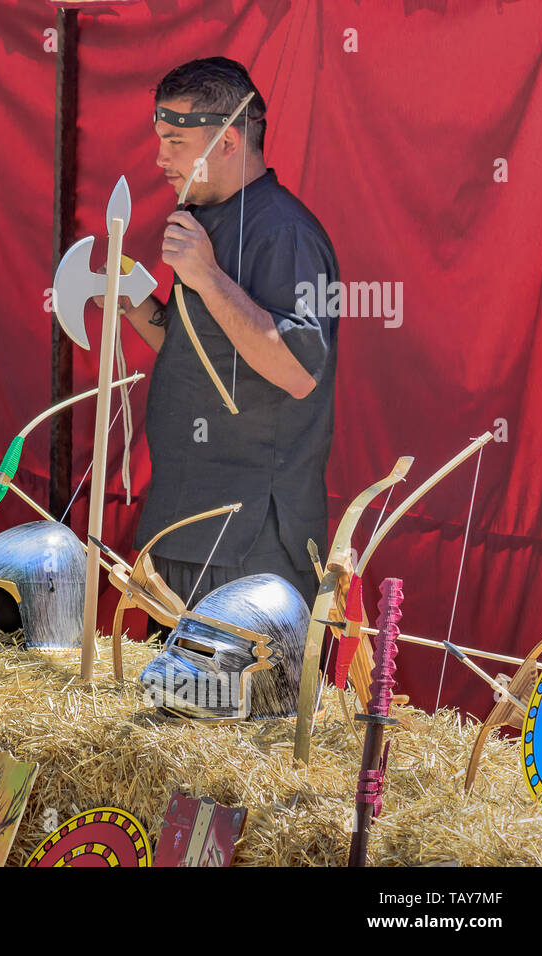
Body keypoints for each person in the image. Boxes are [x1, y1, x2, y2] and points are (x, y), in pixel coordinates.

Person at [116, 57, 338, 618]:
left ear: (228, 141)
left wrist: (208, 277)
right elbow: (199, 351)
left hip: (249, 538)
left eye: (174, 140)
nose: (160, 157)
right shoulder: (207, 216)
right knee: (170, 700)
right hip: (186, 524)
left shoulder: (284, 233)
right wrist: (130, 301)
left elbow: (297, 371)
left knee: (238, 705)